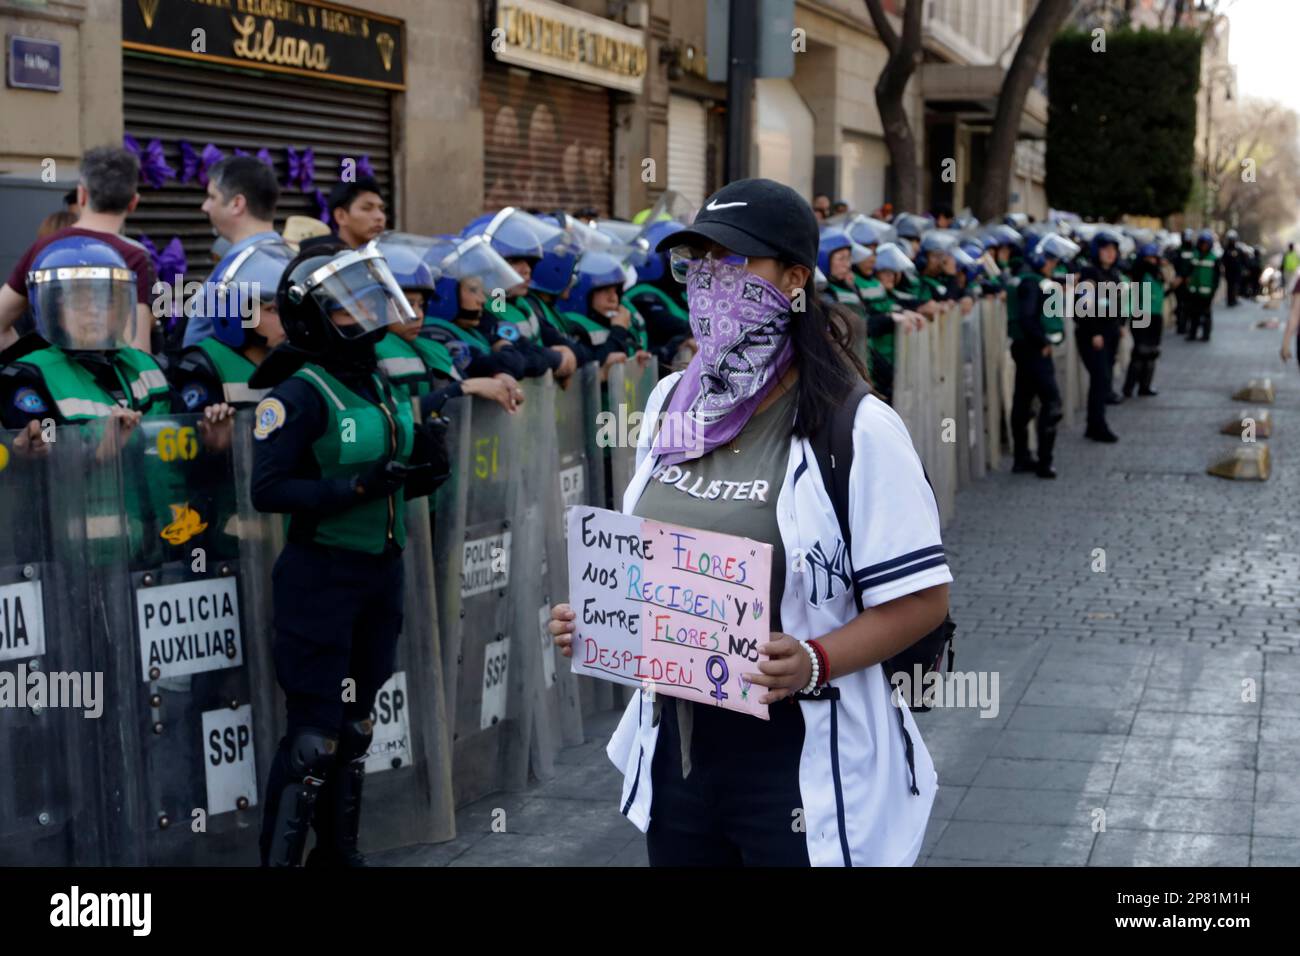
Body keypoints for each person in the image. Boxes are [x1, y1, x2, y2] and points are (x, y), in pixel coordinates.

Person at [548, 178, 951, 867]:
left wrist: (814, 661)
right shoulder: (675, 397)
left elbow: (923, 601)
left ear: (794, 278)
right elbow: (652, 555)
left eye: (732, 260)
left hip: (796, 759)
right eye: (695, 261)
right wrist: (602, 614)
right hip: (681, 750)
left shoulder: (859, 427)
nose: (708, 279)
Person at [250, 240, 450, 867]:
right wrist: (354, 488)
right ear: (312, 318)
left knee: (356, 726)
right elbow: (269, 489)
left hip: (380, 573)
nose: (363, 318)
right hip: (321, 576)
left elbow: (399, 475)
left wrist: (425, 467)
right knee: (314, 735)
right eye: (346, 309)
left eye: (366, 304)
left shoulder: (376, 376)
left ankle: (339, 857)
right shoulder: (300, 391)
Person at [0, 145, 156, 353]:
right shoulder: (134, 256)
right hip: (105, 383)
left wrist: (28, 361)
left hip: (50, 381)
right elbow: (138, 350)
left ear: (82, 194)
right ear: (133, 203)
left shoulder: (45, 248)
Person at [170, 240, 296, 411]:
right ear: (237, 312)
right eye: (272, 309)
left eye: (289, 309)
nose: (286, 320)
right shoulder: (204, 367)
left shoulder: (298, 361)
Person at [181, 156, 282, 348]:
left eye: (212, 197)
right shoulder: (284, 256)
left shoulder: (244, 268)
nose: (205, 206)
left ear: (237, 204)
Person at [1009, 234, 1077, 477]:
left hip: (1025, 348)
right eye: (1051, 260)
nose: (1053, 266)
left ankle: (1022, 458)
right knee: (1051, 402)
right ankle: (1044, 462)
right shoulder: (1030, 282)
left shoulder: (1028, 279)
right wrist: (1043, 341)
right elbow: (1027, 317)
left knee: (1024, 401)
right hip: (1033, 350)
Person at [623, 219, 697, 371]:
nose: (685, 263)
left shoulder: (678, 293)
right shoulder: (642, 295)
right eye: (677, 257)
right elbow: (674, 325)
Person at [1075, 228, 1125, 442]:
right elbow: (1081, 308)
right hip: (1092, 334)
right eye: (1106, 249)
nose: (1110, 253)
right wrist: (1094, 331)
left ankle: (1093, 424)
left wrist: (1120, 325)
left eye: (1113, 249)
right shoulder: (1088, 273)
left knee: (1104, 380)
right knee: (1100, 378)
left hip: (1110, 333)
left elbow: (1118, 303)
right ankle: (1097, 425)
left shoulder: (1114, 274)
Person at [1123, 242, 1166, 398]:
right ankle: (1128, 388)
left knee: (1152, 352)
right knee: (1140, 352)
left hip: (1156, 316)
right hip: (1141, 314)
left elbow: (1159, 295)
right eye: (1148, 258)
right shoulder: (1139, 273)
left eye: (1153, 258)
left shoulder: (1157, 274)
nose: (1151, 261)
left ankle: (1144, 386)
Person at [328, 177, 387, 249]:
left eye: (382, 210)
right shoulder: (324, 257)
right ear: (341, 216)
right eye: (367, 208)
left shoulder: (387, 255)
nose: (379, 216)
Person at [1183, 229, 1220, 343]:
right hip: (1194, 291)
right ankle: (1192, 333)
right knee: (1193, 314)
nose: (1204, 246)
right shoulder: (1194, 256)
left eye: (1206, 244)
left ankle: (1206, 334)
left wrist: (1213, 290)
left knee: (1206, 314)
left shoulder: (1214, 258)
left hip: (1206, 292)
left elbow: (1216, 277)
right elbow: (1189, 271)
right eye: (1202, 244)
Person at [1222, 229, 1243, 308]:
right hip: (1229, 271)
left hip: (1236, 271)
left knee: (1235, 286)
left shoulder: (1238, 249)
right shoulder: (1226, 250)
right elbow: (1223, 260)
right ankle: (1230, 301)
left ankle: (1234, 299)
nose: (1232, 241)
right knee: (1230, 286)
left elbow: (1241, 260)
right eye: (1231, 239)